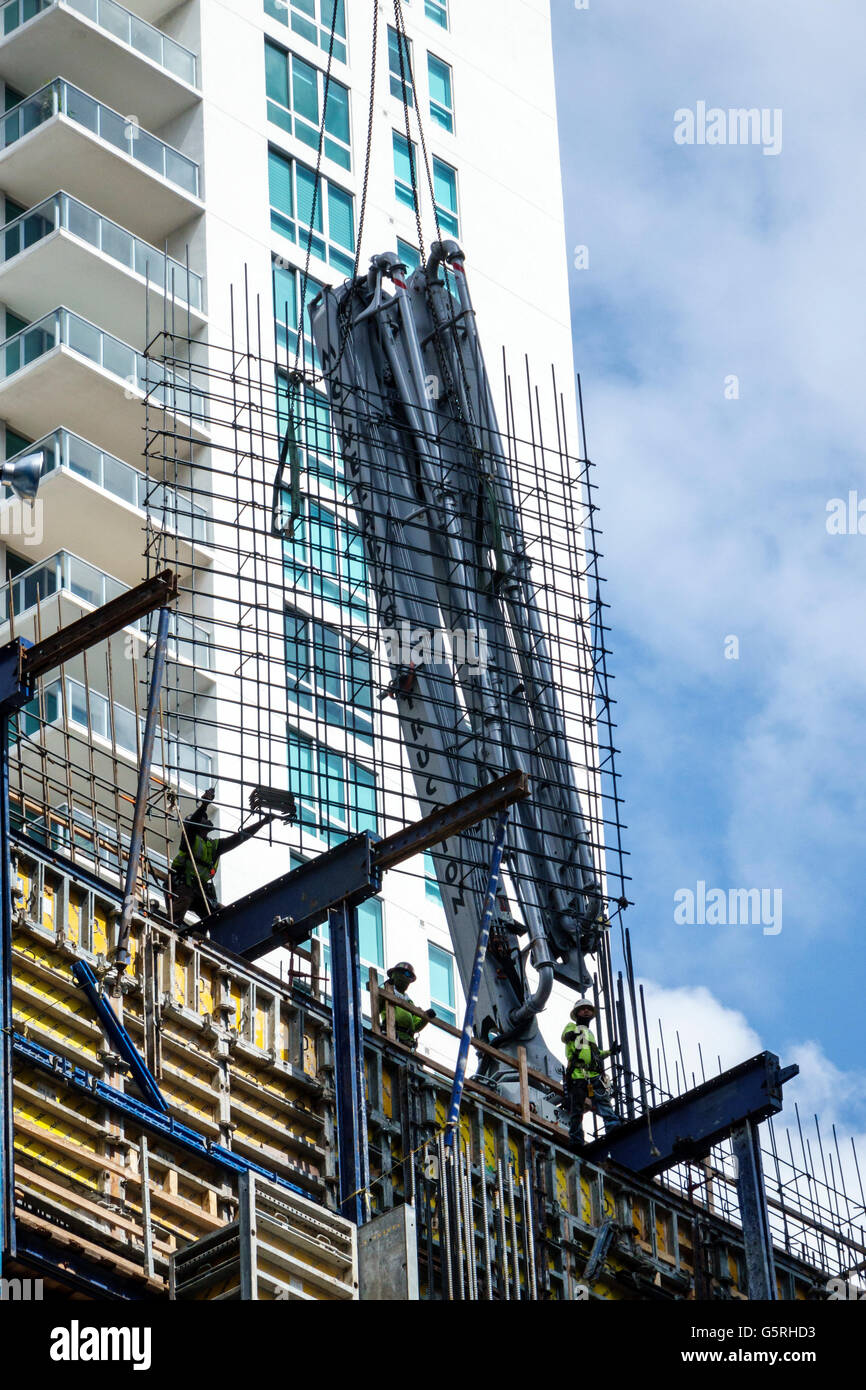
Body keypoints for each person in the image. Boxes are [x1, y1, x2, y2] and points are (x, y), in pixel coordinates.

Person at [169, 789, 276, 924]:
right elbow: (191, 826)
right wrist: (204, 805)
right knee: (184, 898)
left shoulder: (214, 846)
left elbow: (239, 838)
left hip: (200, 889)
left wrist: (262, 822)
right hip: (182, 884)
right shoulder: (189, 839)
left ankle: (214, 939)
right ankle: (172, 925)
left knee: (217, 915)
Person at [561, 998, 623, 1149]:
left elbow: (596, 1052)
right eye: (583, 1009)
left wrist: (610, 1052)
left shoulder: (589, 1033)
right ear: (576, 1013)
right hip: (578, 1075)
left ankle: (612, 1125)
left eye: (588, 1009)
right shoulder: (572, 1027)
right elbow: (566, 1036)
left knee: (603, 1100)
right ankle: (576, 1140)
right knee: (577, 1109)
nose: (586, 1011)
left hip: (593, 1074)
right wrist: (572, 1035)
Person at [379, 962, 435, 1049]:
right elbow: (377, 1006)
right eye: (406, 974)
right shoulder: (388, 991)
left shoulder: (409, 1002)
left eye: (410, 977)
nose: (407, 979)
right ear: (396, 975)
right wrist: (387, 988)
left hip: (407, 1041)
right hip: (392, 1034)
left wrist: (426, 1018)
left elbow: (416, 1026)